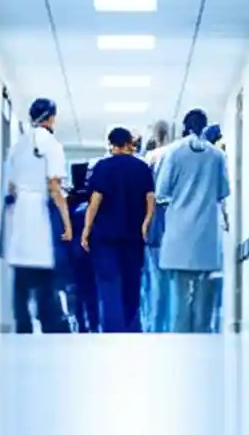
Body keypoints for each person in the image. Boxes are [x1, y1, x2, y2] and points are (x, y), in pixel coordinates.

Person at [156, 109, 230, 333]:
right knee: (204, 291)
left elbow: (162, 190)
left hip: (180, 231)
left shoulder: (174, 153)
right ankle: (202, 334)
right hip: (206, 232)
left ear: (185, 126)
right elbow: (222, 191)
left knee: (179, 293)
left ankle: (181, 336)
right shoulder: (217, 156)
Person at [3, 97, 72, 333]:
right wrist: (67, 222)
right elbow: (54, 186)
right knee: (45, 276)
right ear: (52, 117)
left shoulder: (18, 145)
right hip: (41, 213)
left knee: (21, 277)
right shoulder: (52, 145)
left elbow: (10, 186)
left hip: (20, 212)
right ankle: (50, 323)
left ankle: (22, 326)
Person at [81, 127, 155, 333]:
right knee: (132, 283)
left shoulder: (102, 167)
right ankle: (132, 329)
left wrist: (86, 230)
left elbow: (95, 201)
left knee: (109, 285)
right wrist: (145, 224)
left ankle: (113, 331)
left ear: (111, 144)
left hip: (105, 237)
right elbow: (150, 199)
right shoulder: (142, 167)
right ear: (129, 143)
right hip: (133, 237)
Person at [141, 119, 176, 332]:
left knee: (155, 279)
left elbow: (146, 193)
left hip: (154, 220)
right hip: (175, 219)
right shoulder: (176, 153)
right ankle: (172, 325)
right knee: (174, 279)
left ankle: (155, 325)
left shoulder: (149, 158)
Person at [66, 162, 99, 333]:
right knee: (92, 290)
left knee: (78, 290)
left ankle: (80, 323)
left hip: (73, 252)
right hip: (92, 250)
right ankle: (93, 323)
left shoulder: (68, 201)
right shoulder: (93, 198)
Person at [203, 124, 228, 333]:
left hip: (200, 228)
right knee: (211, 278)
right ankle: (208, 324)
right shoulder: (217, 158)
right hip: (212, 226)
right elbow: (223, 193)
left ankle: (204, 323)